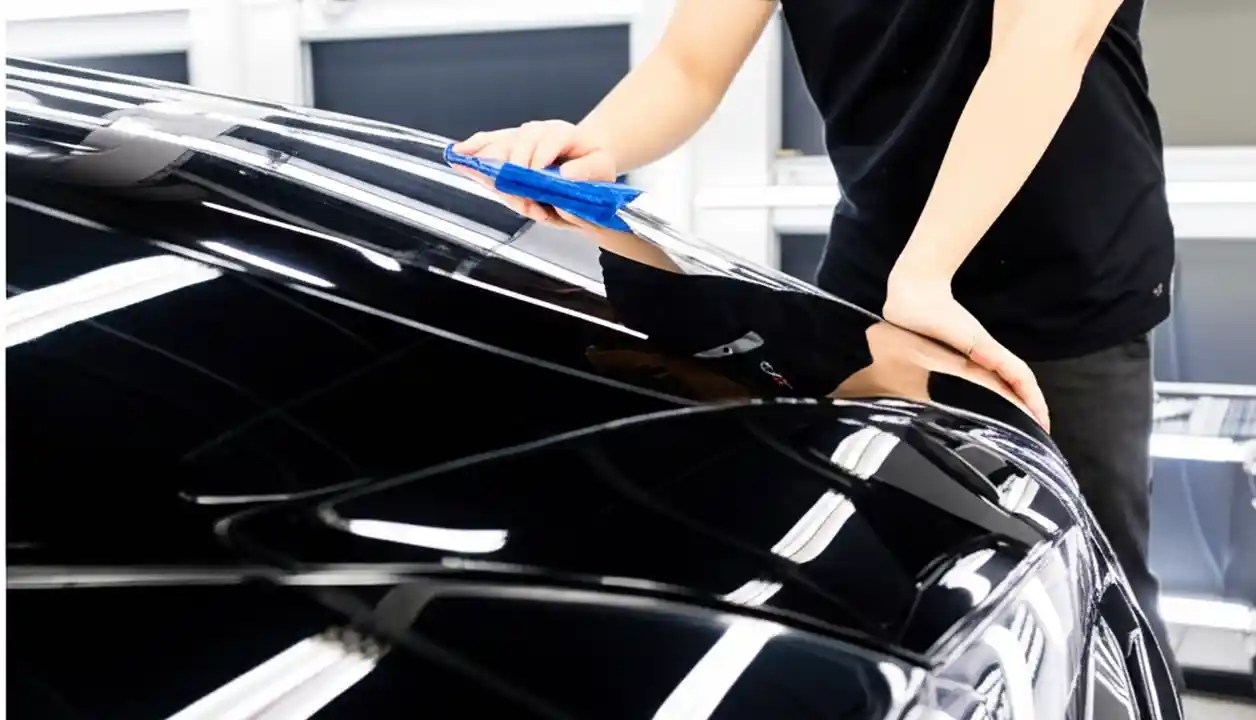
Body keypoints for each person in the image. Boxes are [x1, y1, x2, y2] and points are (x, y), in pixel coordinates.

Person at [450, 0, 1180, 685]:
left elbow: (1041, 48)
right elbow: (688, 66)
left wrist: (927, 272)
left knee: (1092, 600)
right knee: (876, 586)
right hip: (878, 280)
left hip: (1066, 280)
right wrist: (588, 149)